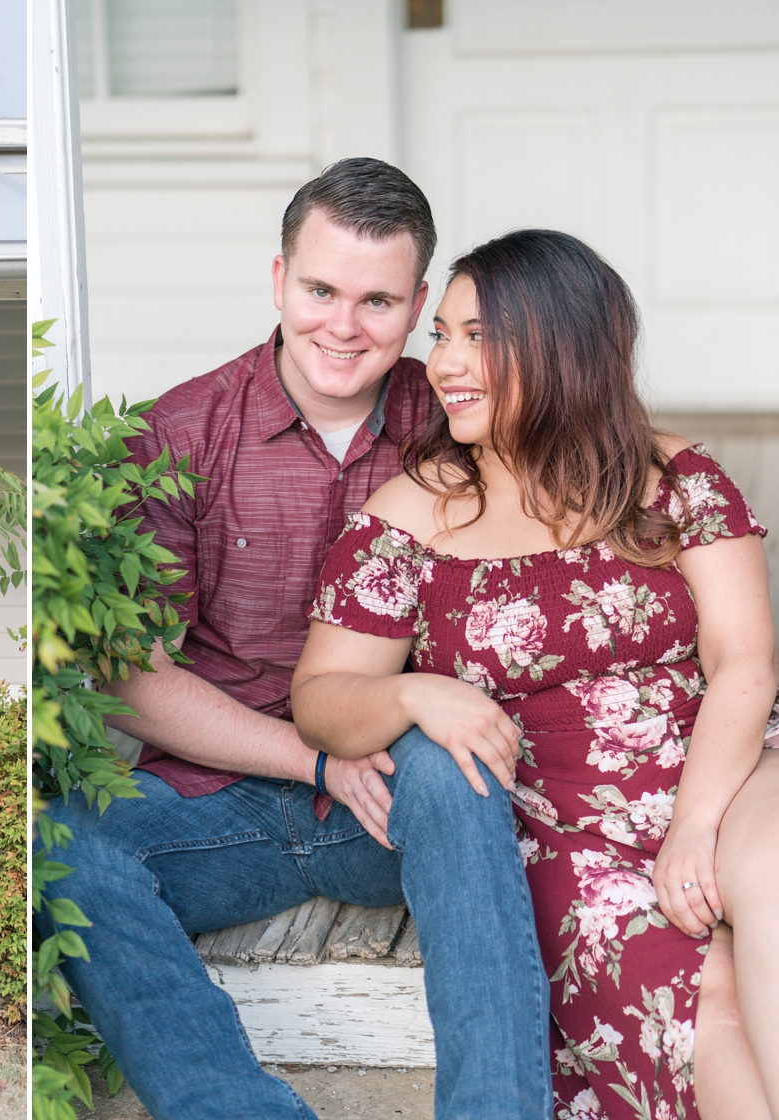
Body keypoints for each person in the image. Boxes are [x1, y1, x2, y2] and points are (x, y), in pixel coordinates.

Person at [37, 158, 551, 1120]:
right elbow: (133, 680)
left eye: (377, 301)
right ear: (279, 280)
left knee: (461, 772)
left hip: (400, 788)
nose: (343, 327)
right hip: (218, 795)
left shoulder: (457, 424)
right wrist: (314, 760)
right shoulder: (176, 435)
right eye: (320, 291)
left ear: (418, 306)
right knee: (64, 848)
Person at [293, 228, 779, 1119]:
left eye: (479, 337)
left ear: (564, 346)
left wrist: (695, 824)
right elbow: (321, 702)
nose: (446, 363)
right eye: (442, 335)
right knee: (703, 1002)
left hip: (727, 768)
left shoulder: (674, 478)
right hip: (562, 824)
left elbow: (744, 660)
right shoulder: (412, 517)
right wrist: (409, 690)